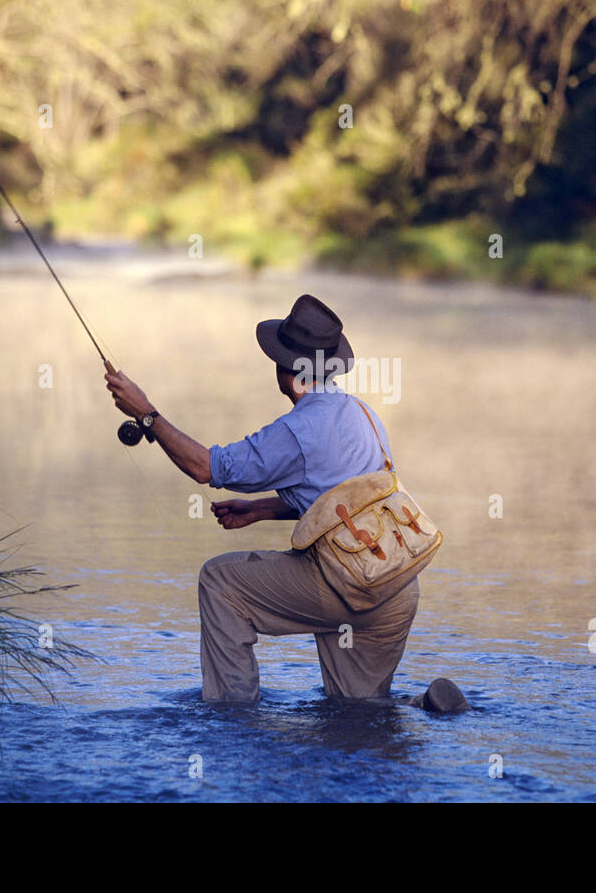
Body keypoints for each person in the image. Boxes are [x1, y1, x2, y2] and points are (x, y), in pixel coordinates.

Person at [103, 294, 468, 712]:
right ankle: (422, 705)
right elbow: (348, 500)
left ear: (288, 370)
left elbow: (204, 467)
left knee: (220, 582)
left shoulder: (297, 430)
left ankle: (232, 718)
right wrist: (262, 509)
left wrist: (147, 413)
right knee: (357, 710)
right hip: (395, 585)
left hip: (342, 585)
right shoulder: (364, 414)